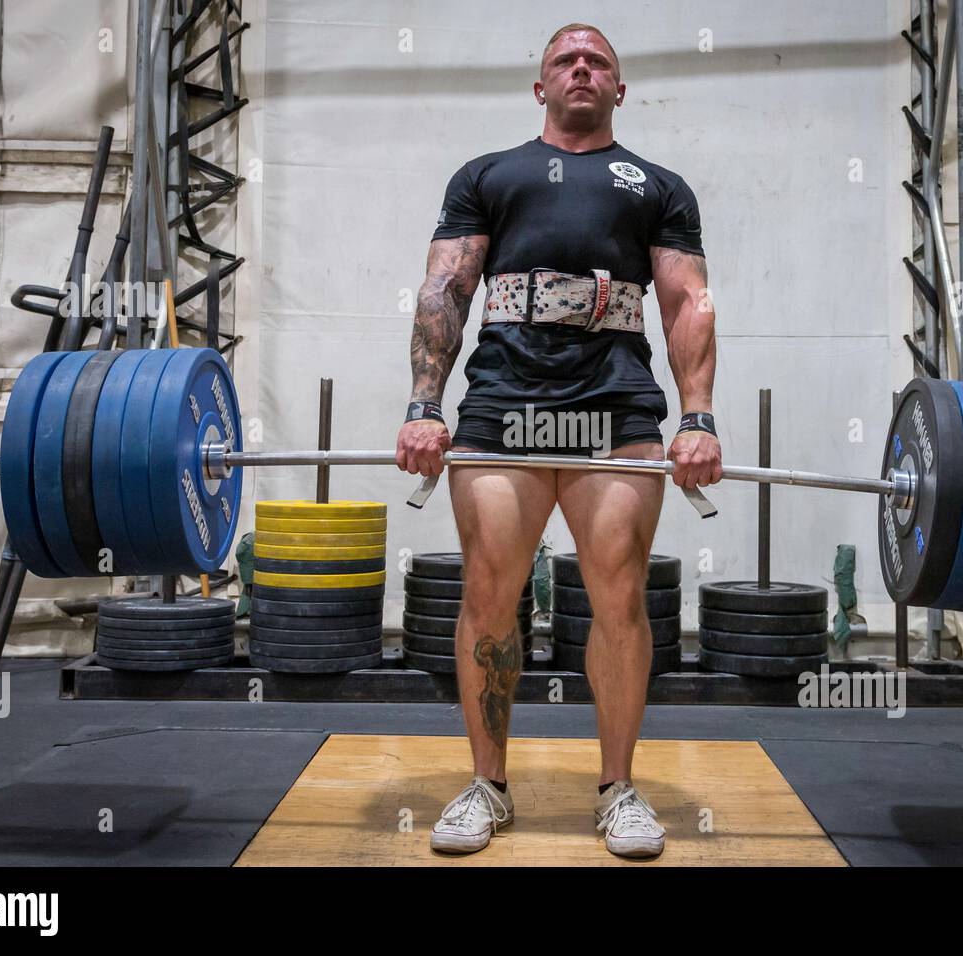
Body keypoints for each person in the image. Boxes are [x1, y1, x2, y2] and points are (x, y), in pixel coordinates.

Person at [395, 23, 720, 858]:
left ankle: (617, 789)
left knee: (618, 597)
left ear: (620, 87)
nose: (582, 69)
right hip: (503, 404)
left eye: (598, 61)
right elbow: (444, 288)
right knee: (489, 596)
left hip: (614, 408)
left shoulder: (657, 186)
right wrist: (426, 405)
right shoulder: (487, 176)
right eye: (564, 62)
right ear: (540, 86)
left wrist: (697, 420)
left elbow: (688, 304)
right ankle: (488, 786)